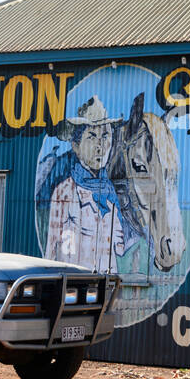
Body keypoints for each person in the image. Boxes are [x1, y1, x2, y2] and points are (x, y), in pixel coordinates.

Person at [44, 95, 126, 272]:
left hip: (107, 281)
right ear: (76, 146)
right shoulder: (65, 192)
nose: (100, 146)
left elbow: (120, 248)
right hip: (75, 283)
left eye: (105, 136)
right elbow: (51, 248)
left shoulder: (112, 193)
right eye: (91, 137)